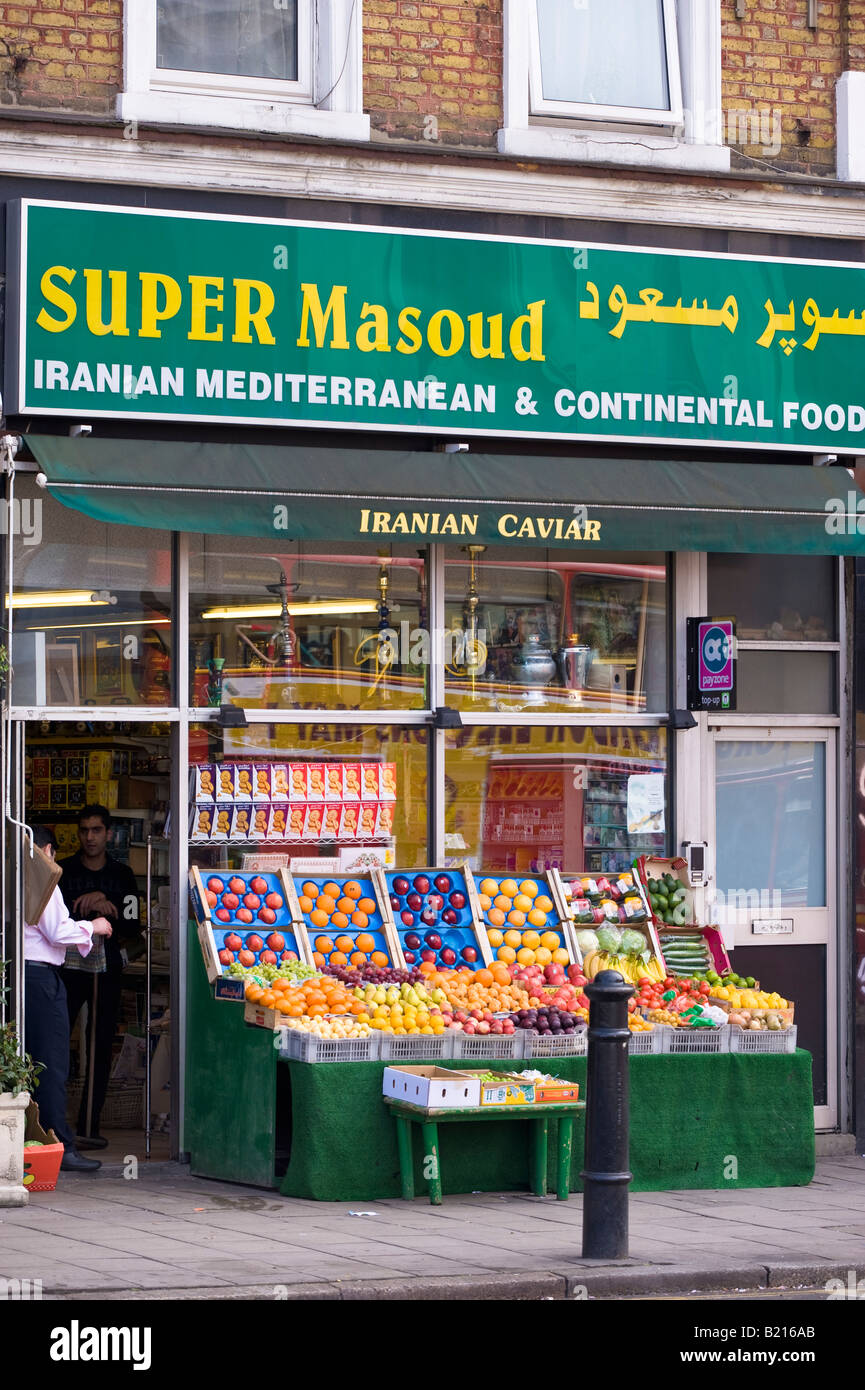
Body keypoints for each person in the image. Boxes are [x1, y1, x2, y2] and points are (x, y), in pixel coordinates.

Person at [23, 826, 113, 1173]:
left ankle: (39, 1141)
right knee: (50, 1064)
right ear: (49, 851)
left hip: (21, 975)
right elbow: (58, 931)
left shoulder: (11, 876)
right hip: (39, 978)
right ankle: (58, 1145)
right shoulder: (42, 879)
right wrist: (95, 927)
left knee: (30, 1064)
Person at [59, 804, 141, 1150]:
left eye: (96, 830)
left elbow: (133, 925)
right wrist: (89, 902)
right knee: (57, 1042)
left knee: (101, 1044)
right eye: (83, 830)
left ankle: (89, 1126)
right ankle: (50, 1123)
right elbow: (52, 916)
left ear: (109, 833)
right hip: (65, 969)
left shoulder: (123, 876)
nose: (89, 837)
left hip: (106, 970)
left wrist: (108, 903)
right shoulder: (62, 870)